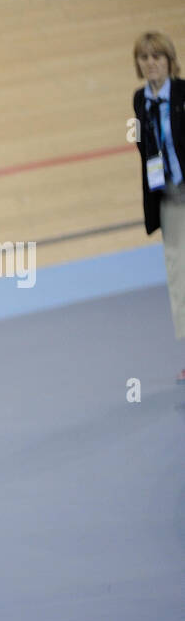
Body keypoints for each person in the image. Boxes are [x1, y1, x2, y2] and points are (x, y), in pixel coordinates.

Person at [131, 31, 185, 380]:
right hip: (171, 201)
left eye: (157, 57)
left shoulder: (184, 93)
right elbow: (144, 148)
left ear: (169, 61)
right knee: (180, 279)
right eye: (145, 58)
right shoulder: (140, 100)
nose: (151, 64)